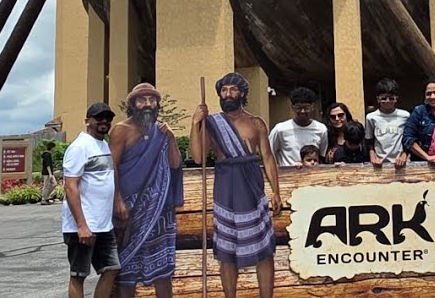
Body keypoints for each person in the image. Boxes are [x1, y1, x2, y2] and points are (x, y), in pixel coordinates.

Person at [190, 72, 281, 298]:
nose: (228, 94)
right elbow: (199, 157)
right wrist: (195, 123)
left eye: (233, 89)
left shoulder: (256, 123)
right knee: (227, 252)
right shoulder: (211, 124)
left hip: (252, 186)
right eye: (224, 90)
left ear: (242, 93)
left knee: (264, 249)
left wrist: (276, 191)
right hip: (226, 188)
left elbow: (268, 158)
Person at [109, 83, 184, 297]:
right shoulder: (121, 130)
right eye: (142, 100)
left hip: (159, 209)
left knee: (163, 269)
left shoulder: (161, 131)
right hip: (130, 210)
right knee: (127, 269)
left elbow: (175, 164)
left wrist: (171, 138)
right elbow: (111, 167)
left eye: (152, 100)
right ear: (133, 104)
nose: (148, 104)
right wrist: (118, 200)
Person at [62, 102, 120, 298]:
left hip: (103, 225)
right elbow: (70, 186)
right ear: (87, 121)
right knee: (79, 275)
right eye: (99, 118)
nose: (104, 122)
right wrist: (81, 225)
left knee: (111, 269)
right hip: (83, 227)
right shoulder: (79, 147)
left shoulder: (103, 144)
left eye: (108, 118)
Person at [268, 87, 328, 168]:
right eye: (299, 108)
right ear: (292, 107)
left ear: (312, 107)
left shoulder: (321, 129)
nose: (302, 111)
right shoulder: (280, 129)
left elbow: (321, 155)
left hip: (313, 177)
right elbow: (268, 153)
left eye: (306, 108)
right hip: (288, 177)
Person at [365, 78, 409, 167]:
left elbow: (409, 139)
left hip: (400, 163)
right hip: (379, 163)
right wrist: (373, 157)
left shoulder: (405, 116)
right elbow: (369, 141)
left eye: (391, 98)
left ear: (396, 98)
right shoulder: (371, 117)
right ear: (378, 99)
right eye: (384, 98)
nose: (388, 101)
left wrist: (405, 155)